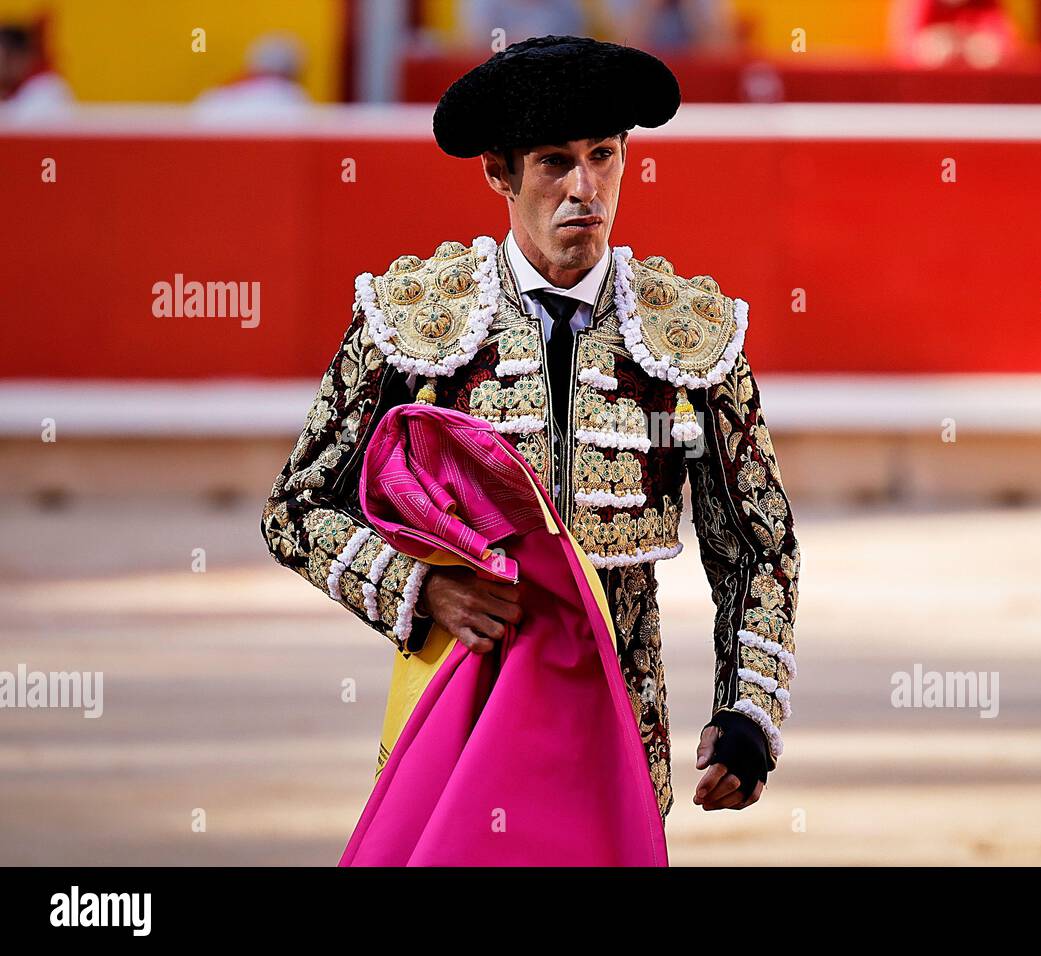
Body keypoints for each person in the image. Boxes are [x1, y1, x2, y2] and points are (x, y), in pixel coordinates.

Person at [260, 35, 800, 824]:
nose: (586, 188)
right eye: (554, 161)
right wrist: (423, 588)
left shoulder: (689, 335)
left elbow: (757, 543)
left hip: (619, 718)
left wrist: (748, 716)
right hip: (464, 704)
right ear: (498, 173)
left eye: (604, 155)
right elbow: (296, 508)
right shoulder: (414, 317)